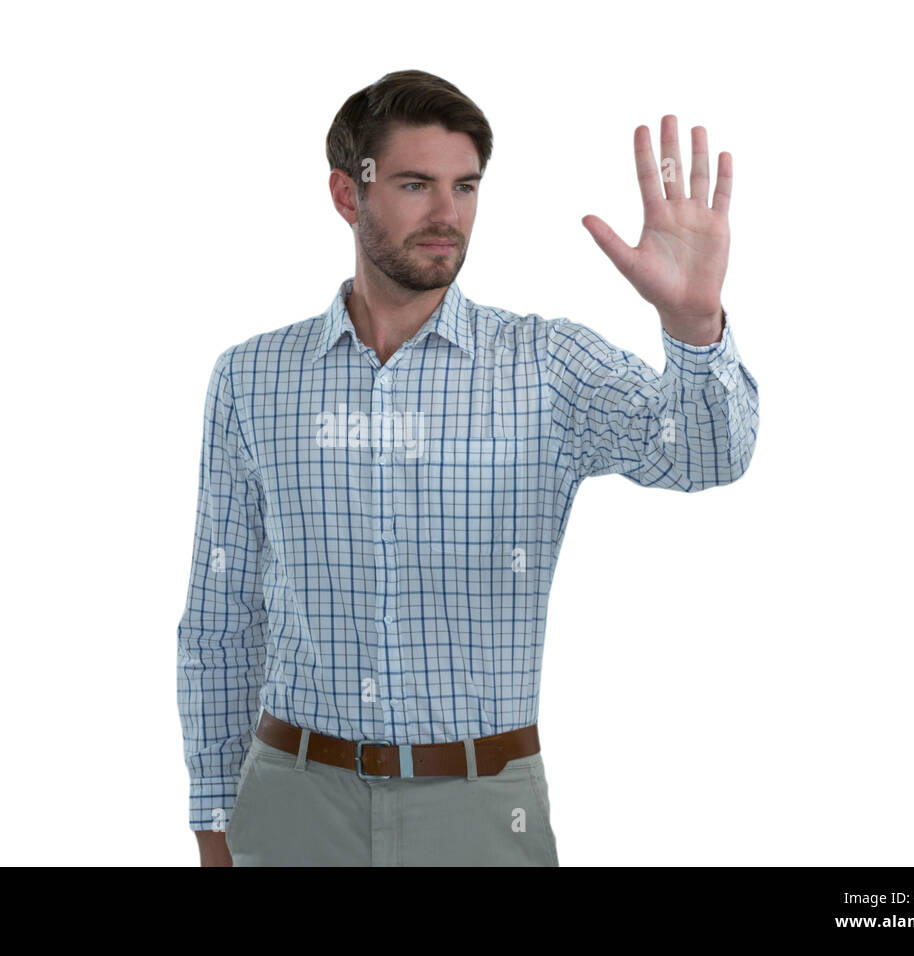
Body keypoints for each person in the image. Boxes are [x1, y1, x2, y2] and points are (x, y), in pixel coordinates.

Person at [177, 69, 758, 866]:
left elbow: (706, 456)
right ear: (350, 196)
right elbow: (220, 619)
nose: (448, 215)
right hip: (291, 805)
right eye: (416, 185)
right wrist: (215, 825)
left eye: (466, 186)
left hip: (483, 813)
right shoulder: (252, 379)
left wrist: (693, 326)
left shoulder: (546, 365)